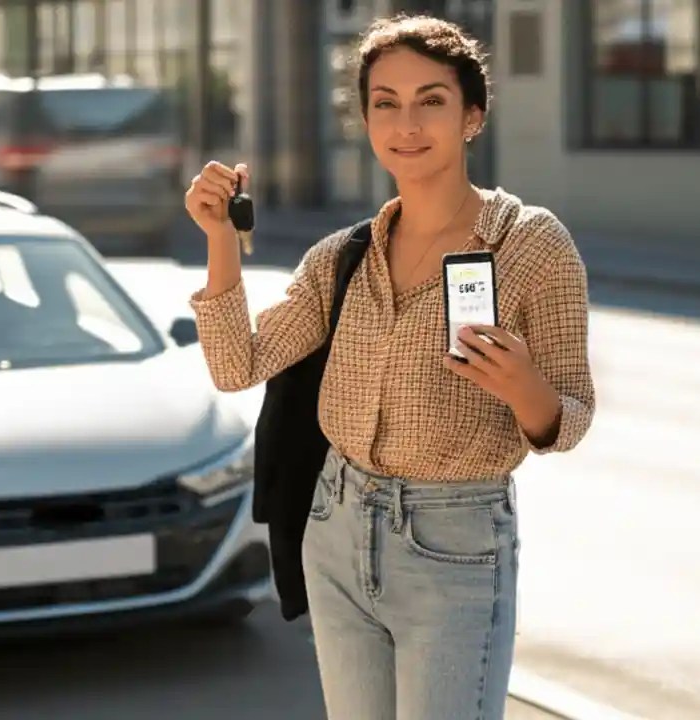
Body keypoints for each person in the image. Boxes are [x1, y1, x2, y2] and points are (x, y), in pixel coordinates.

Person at [183, 13, 595, 720]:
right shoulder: (343, 257)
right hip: (335, 527)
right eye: (385, 103)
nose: (407, 122)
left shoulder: (531, 244)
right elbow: (236, 365)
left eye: (431, 99)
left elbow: (570, 416)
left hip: (455, 544)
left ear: (472, 115)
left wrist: (525, 388)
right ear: (367, 121)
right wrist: (221, 240)